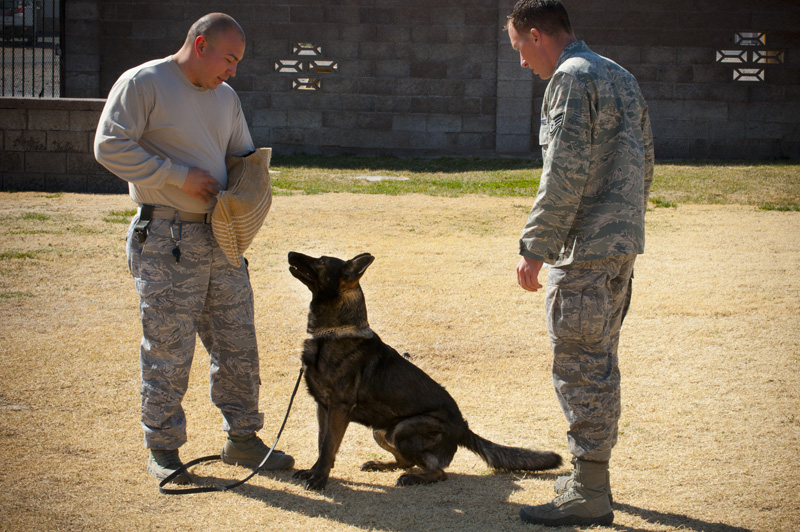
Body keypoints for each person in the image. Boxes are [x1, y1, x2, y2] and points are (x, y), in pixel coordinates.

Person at [94, 13, 293, 485]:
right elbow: (108, 146)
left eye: (238, 62)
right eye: (229, 59)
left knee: (238, 342)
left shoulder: (226, 98)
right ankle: (163, 448)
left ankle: (242, 439)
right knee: (168, 347)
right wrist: (177, 176)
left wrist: (248, 196)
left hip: (221, 238)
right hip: (167, 238)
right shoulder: (144, 83)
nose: (234, 71)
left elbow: (242, 160)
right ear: (200, 45)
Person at [506, 0, 654, 527]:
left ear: (537, 33)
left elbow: (563, 172)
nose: (521, 61)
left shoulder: (570, 78)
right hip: (620, 247)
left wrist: (535, 246)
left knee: (580, 370)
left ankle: (590, 490)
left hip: (584, 252)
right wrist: (627, 230)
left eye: (519, 47)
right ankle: (589, 477)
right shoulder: (619, 75)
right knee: (601, 364)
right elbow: (646, 163)